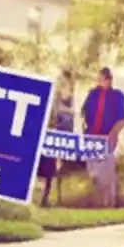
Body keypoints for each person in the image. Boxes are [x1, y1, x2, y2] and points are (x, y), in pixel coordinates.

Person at [81, 68, 124, 207]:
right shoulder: (92, 94)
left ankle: (109, 202)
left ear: (109, 80)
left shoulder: (117, 96)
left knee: (106, 172)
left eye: (102, 79)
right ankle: (96, 200)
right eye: (98, 79)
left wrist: (114, 133)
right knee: (93, 171)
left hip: (107, 137)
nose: (100, 82)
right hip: (91, 137)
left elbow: (122, 120)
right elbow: (84, 113)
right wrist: (85, 131)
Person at [37, 69, 76, 206]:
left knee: (57, 168)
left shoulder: (71, 97)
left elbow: (70, 117)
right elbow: (52, 113)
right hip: (51, 133)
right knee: (47, 167)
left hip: (62, 135)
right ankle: (44, 198)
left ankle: (53, 198)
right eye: (61, 80)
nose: (62, 82)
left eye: (64, 80)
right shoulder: (55, 95)